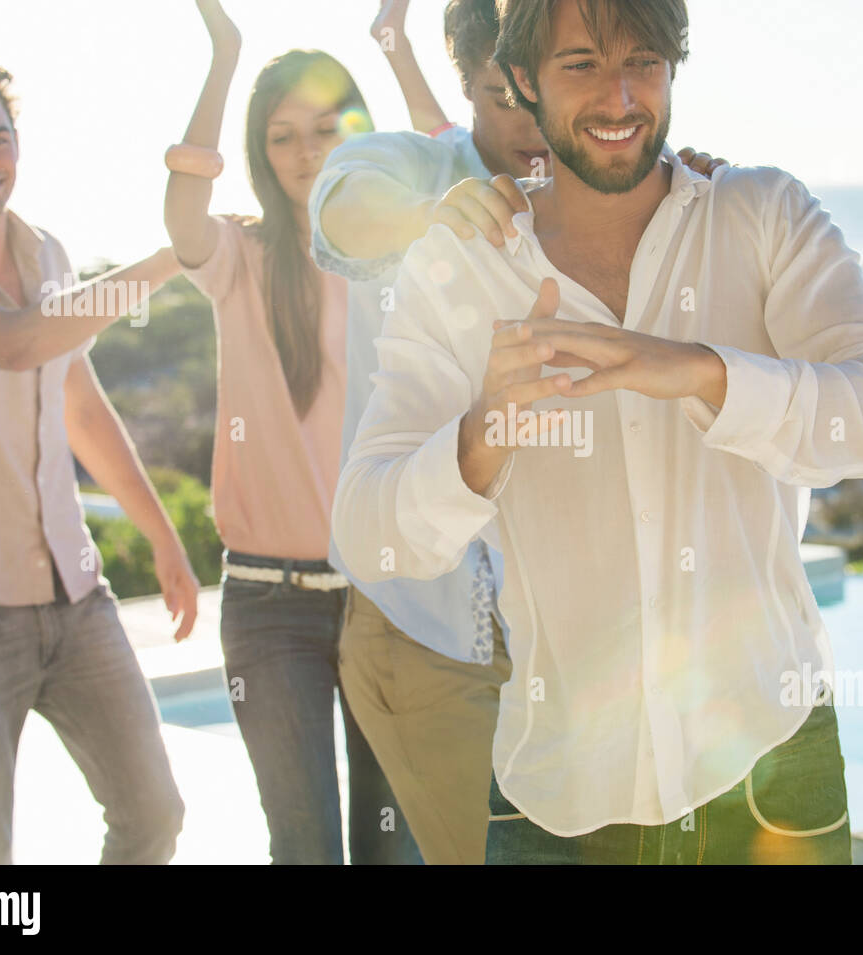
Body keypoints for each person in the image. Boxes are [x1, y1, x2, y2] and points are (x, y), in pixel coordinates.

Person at [332, 0, 863, 864]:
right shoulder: (457, 267)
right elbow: (366, 533)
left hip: (775, 767)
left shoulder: (763, 213)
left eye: (645, 61)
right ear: (521, 83)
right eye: (581, 64)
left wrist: (699, 370)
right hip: (561, 798)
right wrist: (481, 437)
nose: (620, 97)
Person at [311, 0, 726, 864]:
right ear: (471, 87)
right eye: (507, 98)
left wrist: (687, 200)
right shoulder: (414, 169)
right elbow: (341, 208)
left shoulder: (613, 180)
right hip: (437, 631)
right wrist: (434, 222)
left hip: (575, 640)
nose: (536, 124)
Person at [0, 52, 193, 864]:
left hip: (76, 594)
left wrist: (164, 539)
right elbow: (21, 345)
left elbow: (82, 407)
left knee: (153, 814)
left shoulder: (48, 255)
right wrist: (175, 256)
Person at [162, 0, 419, 865]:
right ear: (260, 152)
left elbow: (466, 170)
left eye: (325, 127)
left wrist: (398, 46)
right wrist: (224, 52)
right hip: (270, 608)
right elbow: (183, 209)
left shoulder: (404, 255)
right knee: (304, 848)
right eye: (281, 135)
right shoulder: (237, 256)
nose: (306, 150)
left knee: (397, 851)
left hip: (389, 598)